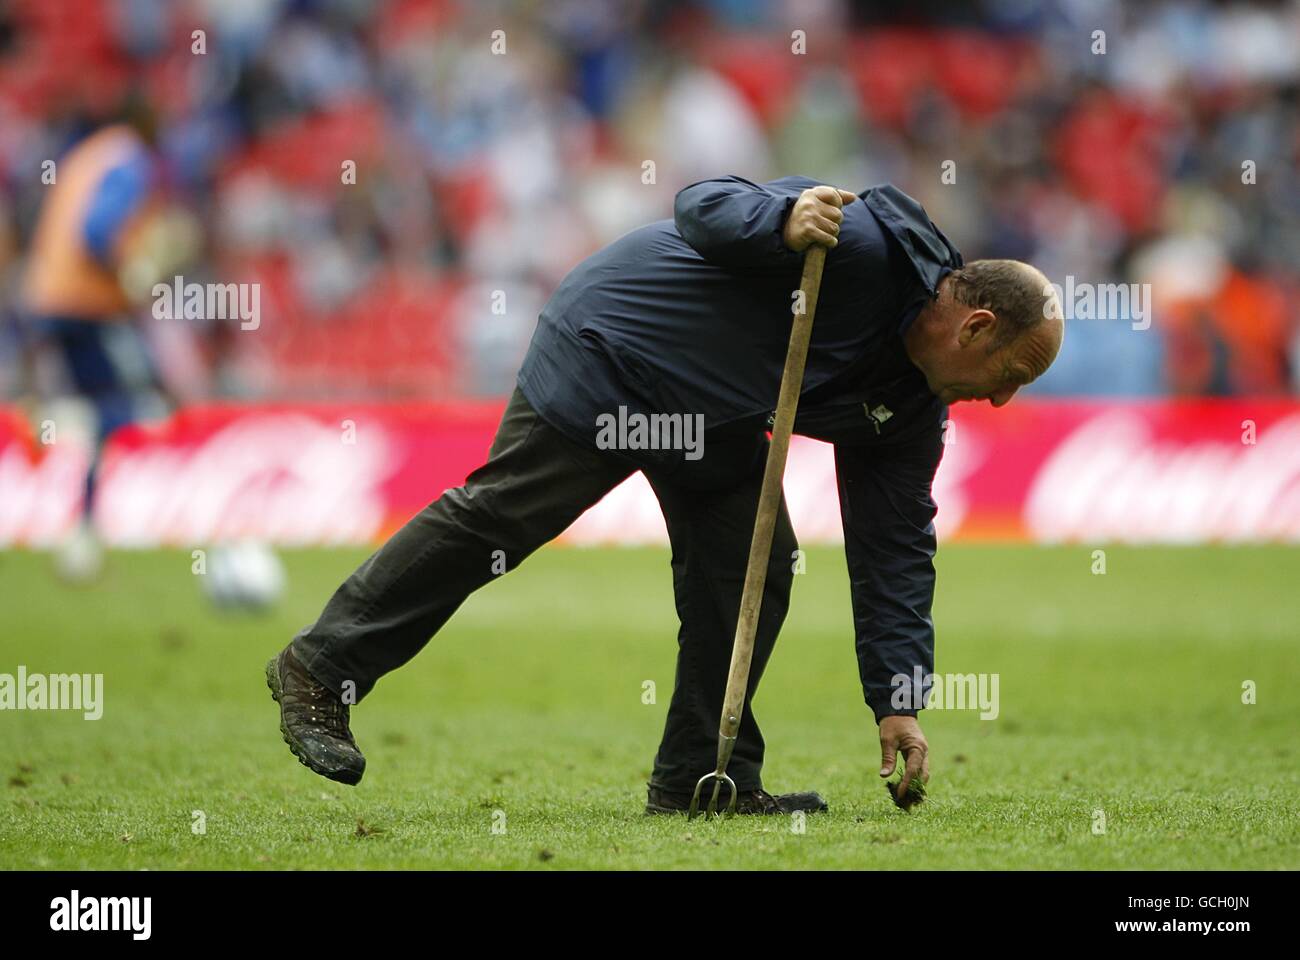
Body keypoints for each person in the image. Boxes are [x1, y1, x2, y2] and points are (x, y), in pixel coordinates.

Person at [267, 175, 1064, 815]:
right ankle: (318, 666)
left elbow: (893, 551)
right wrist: (779, 222)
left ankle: (700, 776)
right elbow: (700, 205)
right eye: (1012, 377)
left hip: (711, 414)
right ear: (977, 327)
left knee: (755, 565)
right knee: (504, 519)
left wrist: (898, 699)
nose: (1002, 401)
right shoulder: (851, 242)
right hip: (617, 346)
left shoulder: (913, 410)